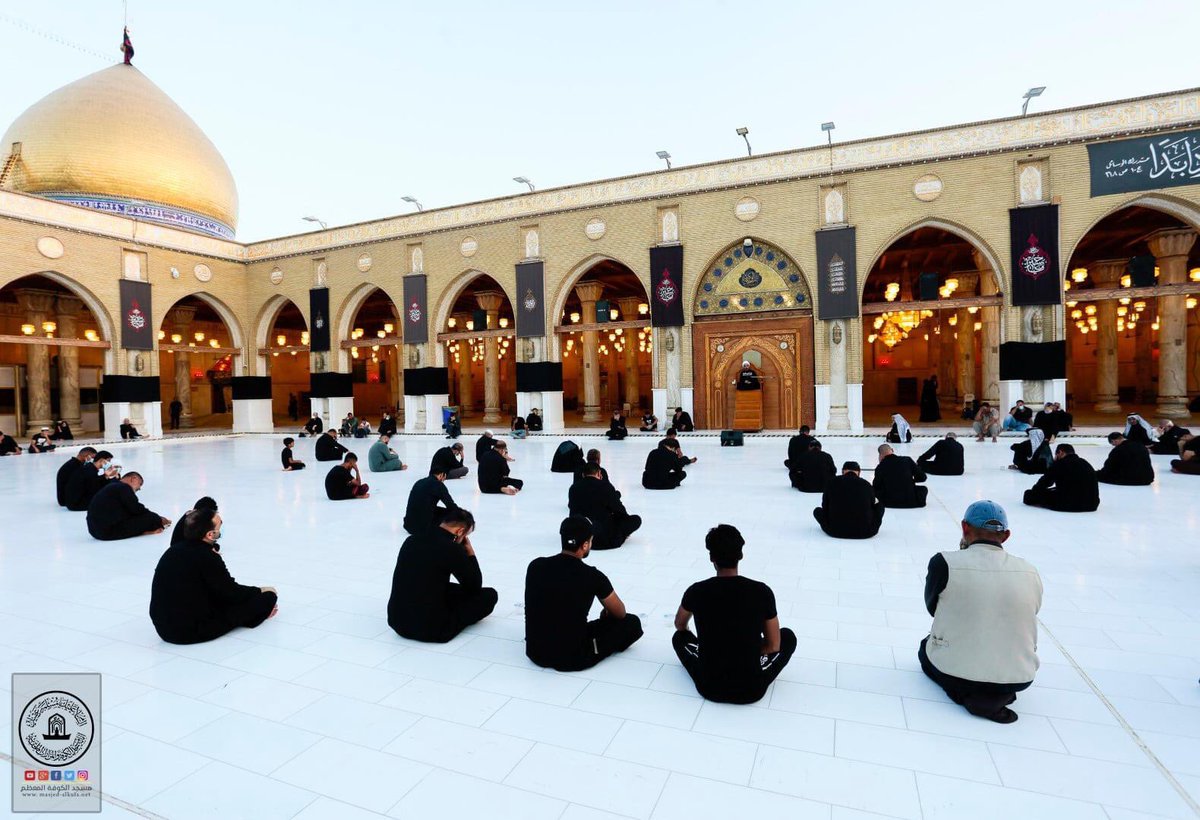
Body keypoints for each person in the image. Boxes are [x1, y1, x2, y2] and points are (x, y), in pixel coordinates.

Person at [920, 500, 1042, 724]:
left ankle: (974, 694)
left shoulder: (944, 563)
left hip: (954, 671)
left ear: (965, 527)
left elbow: (933, 608)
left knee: (925, 647)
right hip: (1020, 676)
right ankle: (994, 693)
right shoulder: (1030, 571)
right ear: (1006, 536)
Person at [673, 524, 796, 704]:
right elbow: (773, 645)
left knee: (679, 638)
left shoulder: (696, 590)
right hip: (751, 688)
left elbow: (679, 625)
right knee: (787, 637)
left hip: (710, 686)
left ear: (711, 557)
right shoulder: (761, 591)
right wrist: (746, 649)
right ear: (740, 555)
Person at [525, 516, 643, 671]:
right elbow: (620, 613)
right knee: (632, 623)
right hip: (572, 657)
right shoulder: (593, 576)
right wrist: (608, 614)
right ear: (585, 545)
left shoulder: (535, 566)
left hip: (535, 651)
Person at [150, 507, 278, 645]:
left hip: (163, 627)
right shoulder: (207, 556)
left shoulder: (172, 551)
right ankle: (256, 614)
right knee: (268, 597)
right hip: (188, 631)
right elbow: (232, 592)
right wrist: (259, 591)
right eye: (220, 526)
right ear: (211, 534)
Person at [387, 507, 497, 643]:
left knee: (430, 583)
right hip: (433, 630)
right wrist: (470, 553)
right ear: (460, 531)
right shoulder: (452, 548)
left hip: (397, 622)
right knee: (489, 595)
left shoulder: (411, 540)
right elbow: (474, 586)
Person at [569, 463, 641, 549]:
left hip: (581, 537)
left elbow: (572, 511)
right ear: (599, 473)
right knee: (636, 520)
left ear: (583, 474)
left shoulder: (574, 488)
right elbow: (619, 510)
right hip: (604, 538)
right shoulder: (606, 486)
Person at [86, 473, 171, 540]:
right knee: (151, 518)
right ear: (133, 479)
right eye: (140, 484)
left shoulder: (113, 486)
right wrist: (158, 519)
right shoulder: (124, 487)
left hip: (95, 531)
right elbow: (136, 509)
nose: (139, 488)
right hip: (107, 532)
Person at [814, 461, 885, 539]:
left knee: (817, 511)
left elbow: (825, 506)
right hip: (865, 532)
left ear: (843, 471)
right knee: (880, 506)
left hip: (834, 530)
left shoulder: (831, 482)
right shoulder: (866, 485)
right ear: (859, 472)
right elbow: (872, 506)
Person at [1023, 443, 1100, 512]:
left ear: (1060, 452)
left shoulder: (1059, 464)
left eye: (1056, 455)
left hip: (1067, 504)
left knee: (1029, 494)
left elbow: (1044, 482)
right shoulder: (1086, 463)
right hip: (1091, 504)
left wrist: (1034, 492)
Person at [403, 468, 460, 534]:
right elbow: (451, 505)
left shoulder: (419, 482)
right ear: (441, 475)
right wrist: (463, 515)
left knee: (427, 507)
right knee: (451, 514)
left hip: (408, 525)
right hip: (423, 529)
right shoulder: (438, 485)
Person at [873, 443, 928, 508]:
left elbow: (876, 485)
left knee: (874, 490)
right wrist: (911, 480)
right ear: (892, 450)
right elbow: (923, 477)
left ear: (880, 455)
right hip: (911, 501)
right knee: (923, 489)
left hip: (889, 502)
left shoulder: (880, 467)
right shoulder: (907, 460)